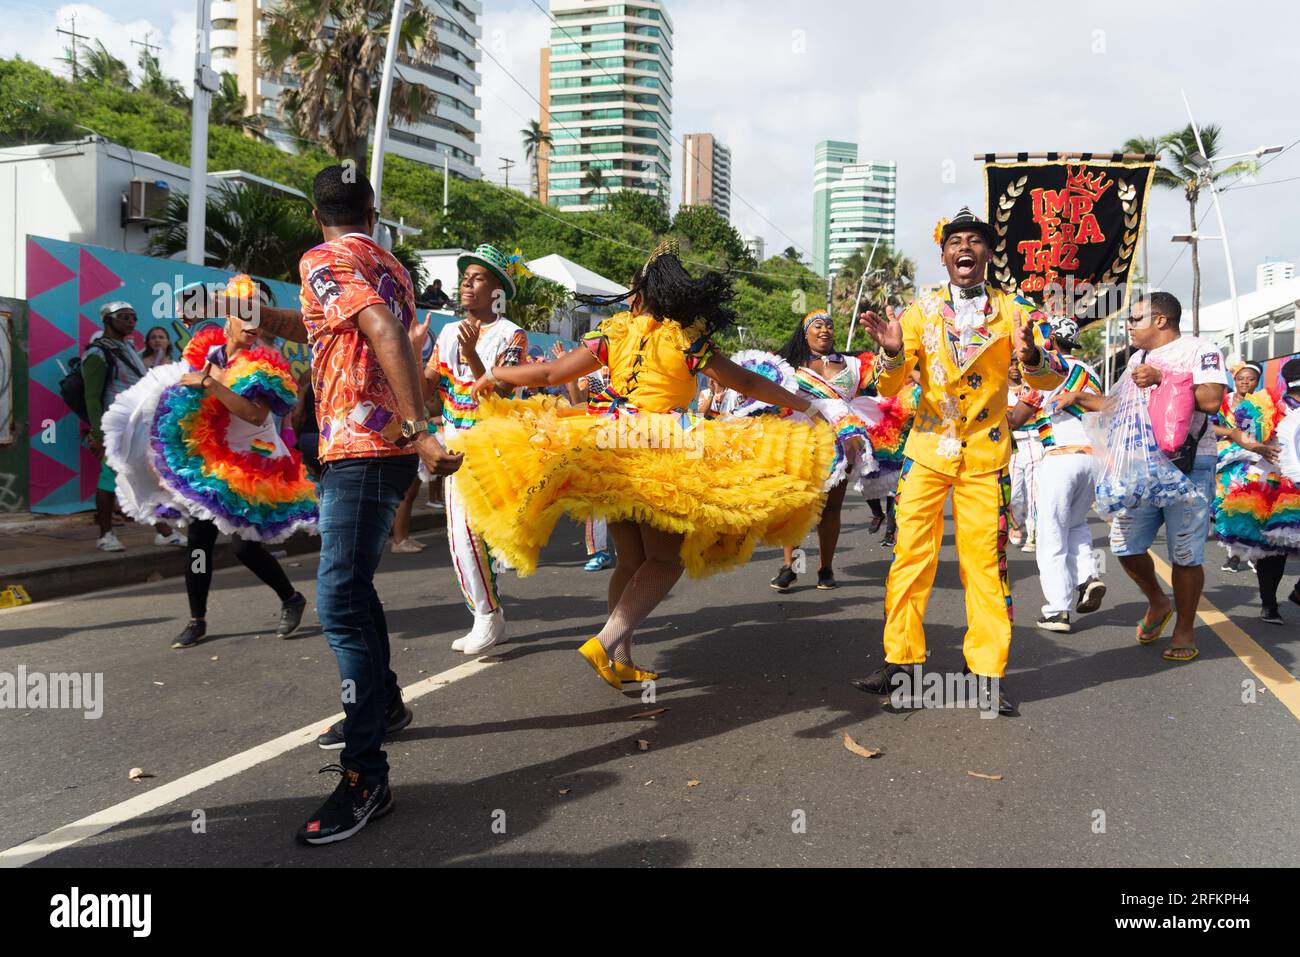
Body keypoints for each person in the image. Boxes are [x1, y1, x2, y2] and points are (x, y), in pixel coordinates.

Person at [449, 241, 835, 687]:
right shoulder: (687, 340)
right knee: (666, 560)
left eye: (634, 285)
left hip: (609, 446)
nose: (630, 292)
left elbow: (552, 375)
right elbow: (745, 381)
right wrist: (803, 405)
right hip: (661, 450)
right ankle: (605, 642)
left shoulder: (613, 334)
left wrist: (495, 374)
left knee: (631, 560)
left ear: (643, 292)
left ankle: (621, 658)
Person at [293, 165, 463, 845]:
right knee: (355, 591)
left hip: (363, 445)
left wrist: (424, 431)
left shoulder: (323, 258)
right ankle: (384, 702)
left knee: (337, 600)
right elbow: (347, 328)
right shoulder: (387, 261)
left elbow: (381, 329)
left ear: (316, 213)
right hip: (384, 447)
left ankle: (365, 774)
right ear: (373, 208)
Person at [853, 207, 1067, 715]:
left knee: (985, 566)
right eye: (955, 242)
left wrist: (1032, 359)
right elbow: (886, 386)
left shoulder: (1016, 311)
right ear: (944, 253)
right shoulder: (919, 310)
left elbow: (1051, 376)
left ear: (988, 253)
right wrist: (889, 354)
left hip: (987, 454)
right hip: (927, 450)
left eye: (975, 241)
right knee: (910, 557)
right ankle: (901, 666)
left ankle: (988, 675)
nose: (964, 248)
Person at [102, 313, 316, 648]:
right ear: (228, 322)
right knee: (199, 543)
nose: (251, 326)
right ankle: (196, 619)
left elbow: (256, 414)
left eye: (256, 321)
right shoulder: (208, 353)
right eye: (243, 318)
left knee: (245, 547)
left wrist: (211, 384)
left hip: (254, 460)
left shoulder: (262, 365)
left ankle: (291, 598)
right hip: (214, 460)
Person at [415, 243, 529, 655]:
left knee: (470, 532)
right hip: (455, 445)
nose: (466, 282)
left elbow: (498, 393)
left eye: (477, 276)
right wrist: (415, 350)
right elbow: (426, 390)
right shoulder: (447, 332)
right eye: (465, 276)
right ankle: (488, 614)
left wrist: (471, 356)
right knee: (460, 534)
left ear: (497, 289)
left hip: (492, 445)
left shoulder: (511, 335)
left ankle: (488, 615)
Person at [1106, 291, 1226, 663]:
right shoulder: (1136, 359)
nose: (1129, 325)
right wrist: (1076, 398)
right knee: (1123, 544)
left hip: (1190, 464)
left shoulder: (1201, 350)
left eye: (1135, 318)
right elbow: (1117, 407)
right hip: (1141, 466)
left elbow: (1210, 400)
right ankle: (1158, 602)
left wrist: (1164, 377)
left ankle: (1185, 629)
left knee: (1185, 555)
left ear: (1160, 320)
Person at [1009, 317, 1106, 633]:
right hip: (1090, 459)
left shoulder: (1044, 371)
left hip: (1058, 457)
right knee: (1076, 525)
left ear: (1045, 341)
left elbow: (1018, 417)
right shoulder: (1090, 371)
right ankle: (1087, 577)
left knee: (1050, 534)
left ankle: (1057, 611)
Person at [769, 310, 873, 591]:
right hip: (802, 445)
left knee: (831, 509)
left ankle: (825, 569)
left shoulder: (852, 364)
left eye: (829, 325)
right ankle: (792, 567)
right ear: (806, 333)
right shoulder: (789, 365)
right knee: (800, 507)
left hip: (840, 444)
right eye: (818, 325)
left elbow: (885, 380)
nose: (825, 330)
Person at [83, 302, 184, 551]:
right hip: (116, 429)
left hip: (138, 426)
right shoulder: (97, 353)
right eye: (124, 317)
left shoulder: (128, 348)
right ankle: (105, 535)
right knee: (109, 480)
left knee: (147, 477)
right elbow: (92, 397)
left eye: (133, 316)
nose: (131, 321)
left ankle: (164, 531)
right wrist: (98, 433)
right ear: (107, 320)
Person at [1214, 357, 1299, 623]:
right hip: (1272, 482)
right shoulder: (1268, 405)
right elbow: (1248, 438)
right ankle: (1269, 603)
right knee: (1272, 547)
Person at [1213, 360, 1263, 573]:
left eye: (1250, 379)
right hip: (1228, 461)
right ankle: (1233, 555)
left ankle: (1256, 554)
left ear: (1257, 381)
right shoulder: (1224, 402)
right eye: (1241, 379)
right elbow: (1212, 424)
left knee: (1254, 508)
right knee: (1229, 508)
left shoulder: (1265, 403)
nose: (1245, 383)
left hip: (1256, 460)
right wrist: (1229, 434)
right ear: (1234, 380)